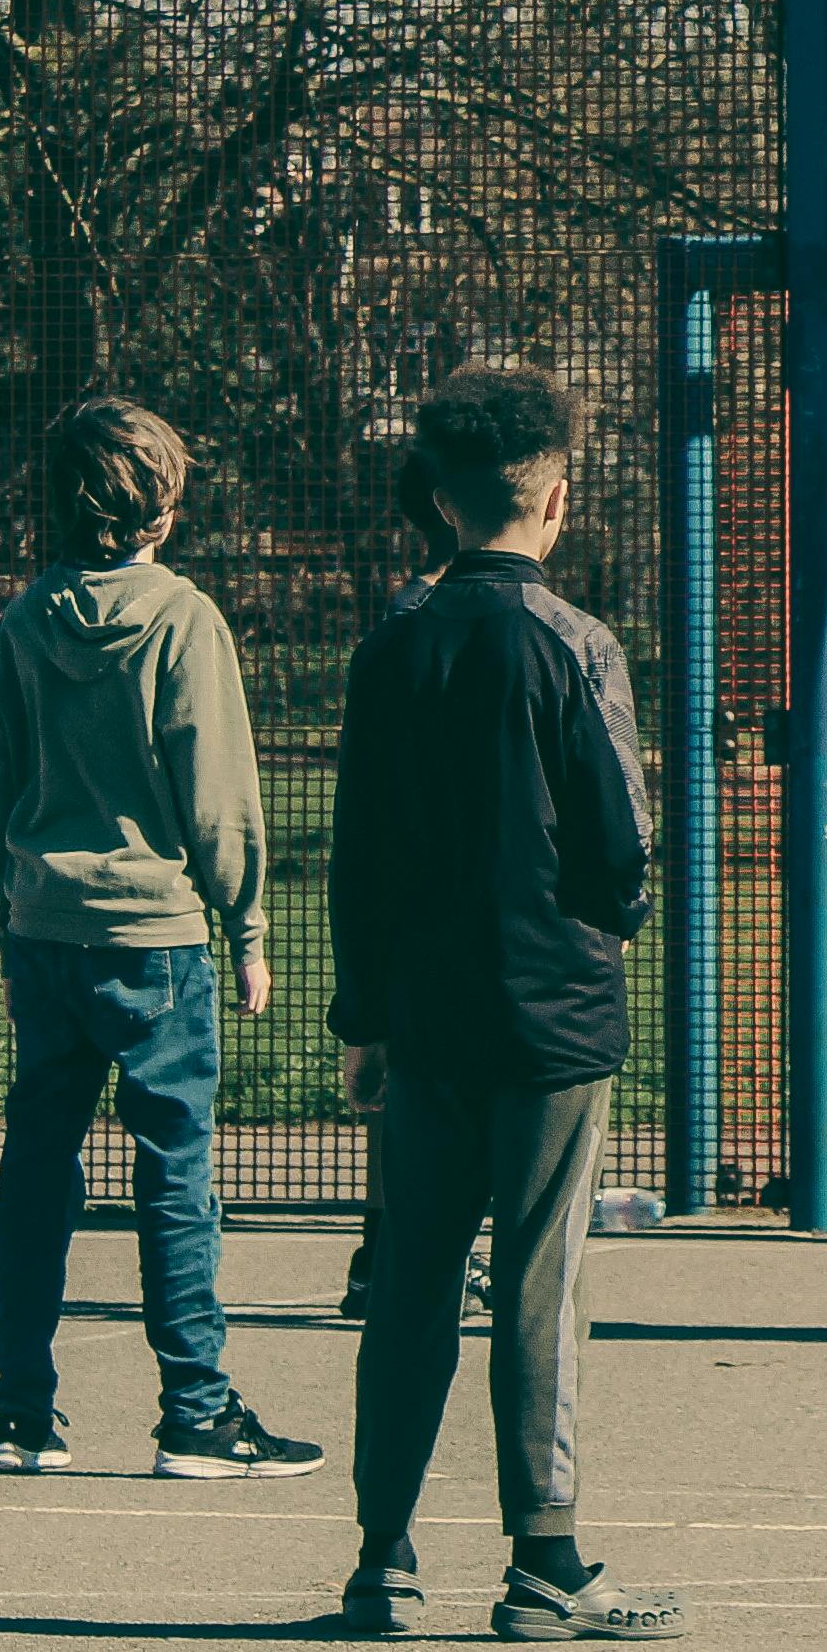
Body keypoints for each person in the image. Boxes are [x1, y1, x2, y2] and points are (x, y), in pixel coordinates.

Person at [327, 364, 687, 1642]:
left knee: (412, 1275)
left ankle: (382, 1556)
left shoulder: (390, 648)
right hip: (551, 1012)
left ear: (437, 499)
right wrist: (614, 924)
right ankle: (546, 1560)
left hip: (421, 1011)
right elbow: (621, 847)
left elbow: (356, 853)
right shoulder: (574, 644)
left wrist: (363, 1017)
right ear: (555, 499)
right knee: (541, 1277)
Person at [0, 396, 320, 1479]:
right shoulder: (183, 619)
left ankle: (22, 1417)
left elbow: (0, 792)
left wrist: (9, 922)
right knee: (175, 1174)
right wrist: (248, 925)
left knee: (39, 1171)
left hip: (46, 927)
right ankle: (196, 1414)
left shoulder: (23, 622)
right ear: (163, 509)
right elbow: (216, 794)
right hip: (156, 937)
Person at [337, 443, 466, 1330]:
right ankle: (406, 1249)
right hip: (459, 882)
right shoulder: (451, 611)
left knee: (404, 1077)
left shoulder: (401, 615)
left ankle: (382, 1247)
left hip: (407, 888)